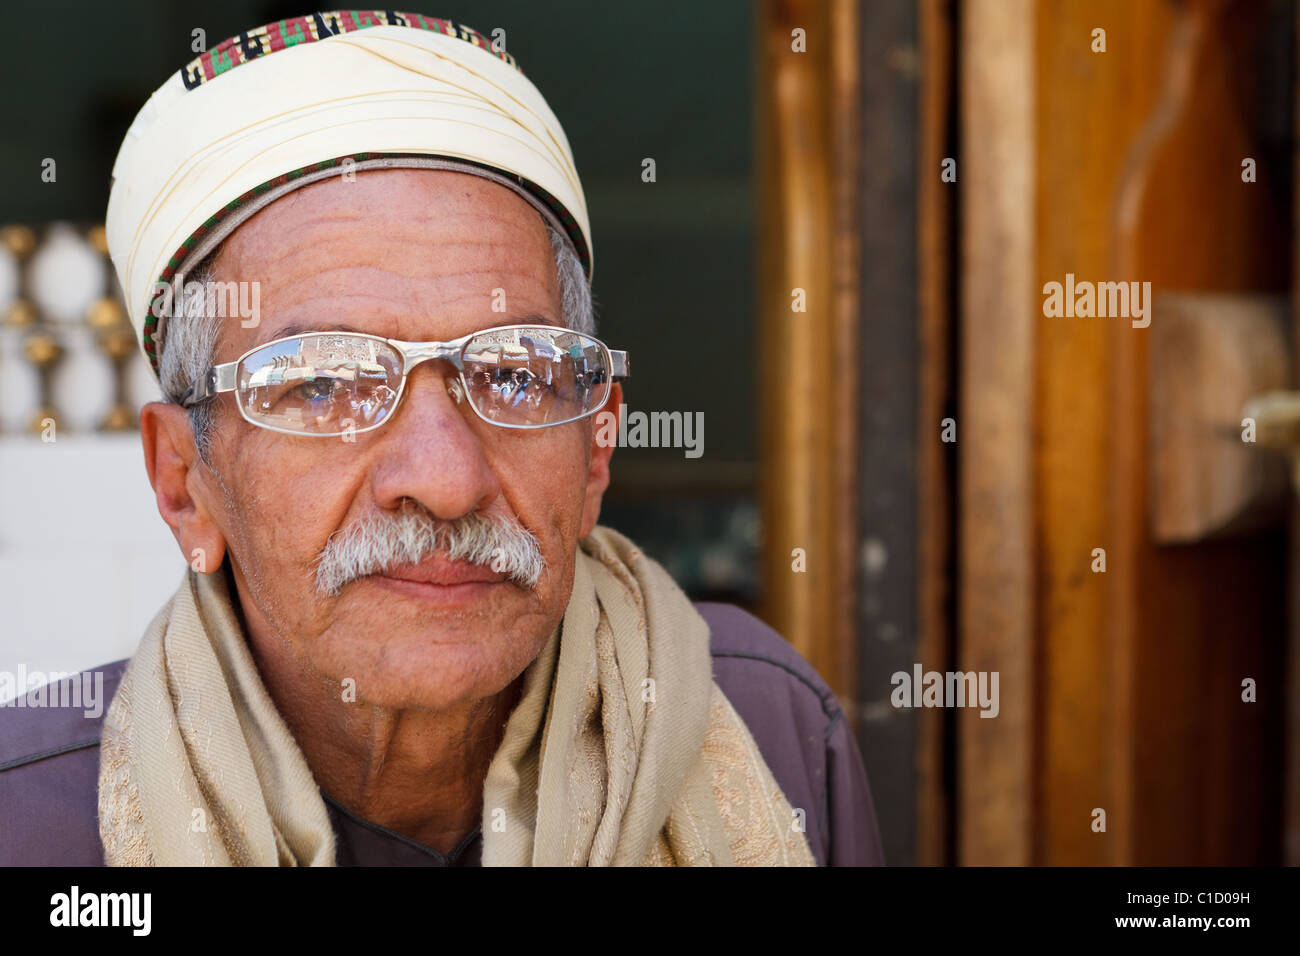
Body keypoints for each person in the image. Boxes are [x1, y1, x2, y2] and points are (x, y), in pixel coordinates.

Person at [0, 10, 883, 867]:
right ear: (184, 483)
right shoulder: (31, 821)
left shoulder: (766, 723)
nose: (445, 480)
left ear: (595, 452)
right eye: (324, 383)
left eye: (511, 373)